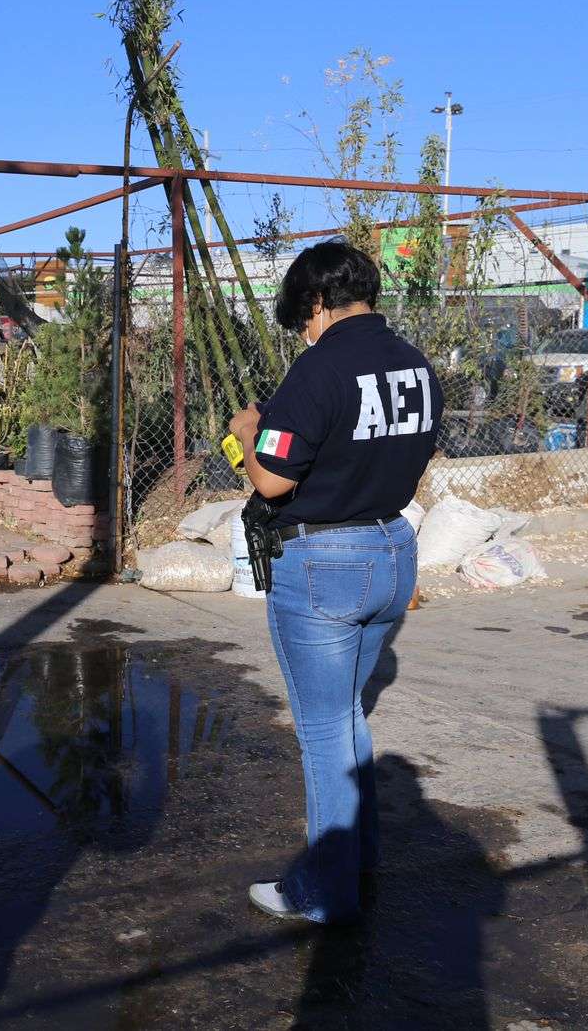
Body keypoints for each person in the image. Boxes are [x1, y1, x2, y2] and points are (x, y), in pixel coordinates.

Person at [227, 238, 443, 924]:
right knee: (347, 718)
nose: (304, 329)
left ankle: (320, 893)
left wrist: (244, 432)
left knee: (324, 731)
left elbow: (272, 478)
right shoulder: (416, 365)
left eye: (302, 316)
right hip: (392, 549)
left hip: (324, 563)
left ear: (316, 302)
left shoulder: (316, 371)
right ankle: (358, 862)